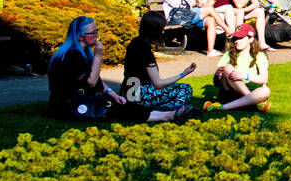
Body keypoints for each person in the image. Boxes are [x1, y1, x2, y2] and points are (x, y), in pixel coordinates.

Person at [47, 16, 187, 124]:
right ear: (80, 36)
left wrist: (114, 95)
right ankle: (168, 115)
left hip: (83, 98)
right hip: (69, 105)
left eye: (97, 31)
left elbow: (98, 83)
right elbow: (91, 81)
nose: (97, 36)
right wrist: (98, 56)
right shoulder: (72, 55)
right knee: (119, 110)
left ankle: (169, 115)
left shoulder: (82, 52)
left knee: (122, 104)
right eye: (93, 33)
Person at [122, 12, 198, 111]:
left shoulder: (134, 43)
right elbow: (158, 83)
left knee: (170, 91)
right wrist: (184, 73)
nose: (163, 32)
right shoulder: (145, 51)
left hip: (129, 92)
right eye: (161, 30)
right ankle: (176, 110)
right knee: (185, 88)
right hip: (140, 94)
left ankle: (168, 108)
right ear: (154, 31)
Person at [203, 24, 272, 113]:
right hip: (231, 90)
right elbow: (216, 83)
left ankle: (222, 107)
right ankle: (254, 103)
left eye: (241, 38)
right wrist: (217, 75)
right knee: (228, 67)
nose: (236, 41)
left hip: (251, 89)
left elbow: (264, 79)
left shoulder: (259, 55)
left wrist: (244, 76)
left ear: (251, 39)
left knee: (265, 90)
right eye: (235, 38)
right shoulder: (229, 54)